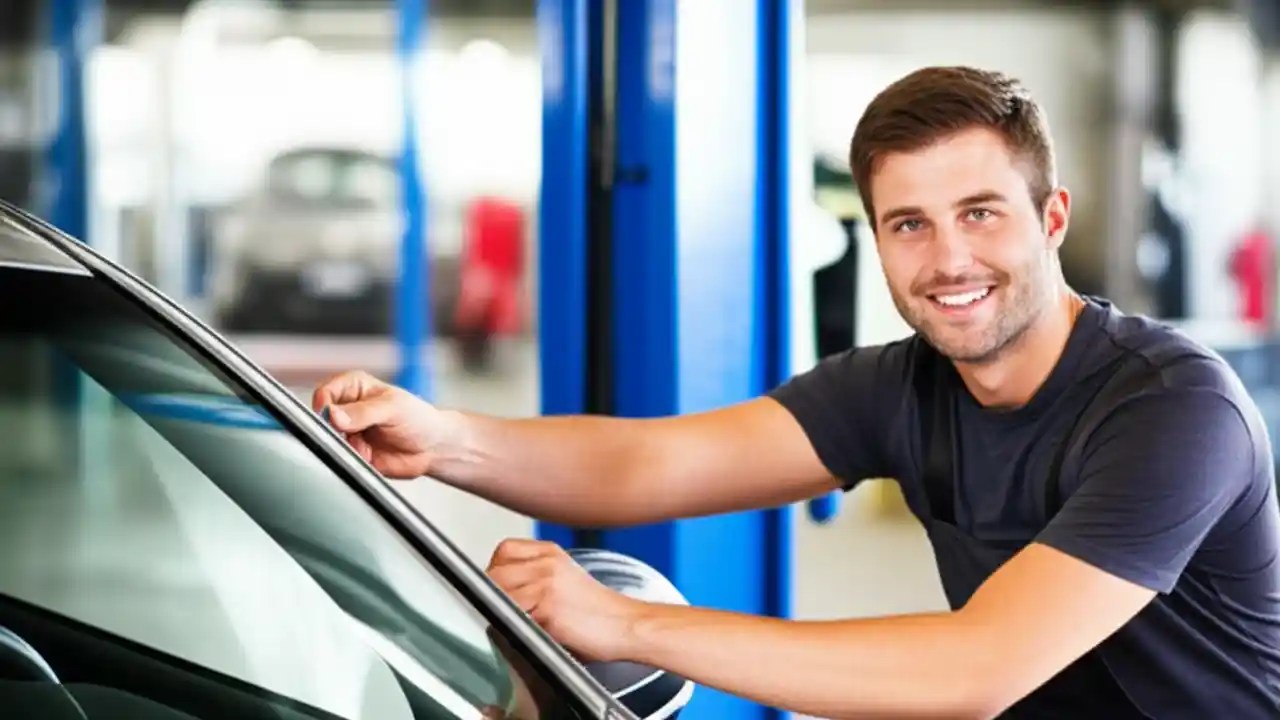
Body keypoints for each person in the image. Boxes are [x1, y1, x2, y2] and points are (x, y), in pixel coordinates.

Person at [312, 66, 1280, 718]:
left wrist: (625, 625)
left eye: (979, 214)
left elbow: (978, 668)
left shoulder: (1168, 409)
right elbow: (653, 461)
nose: (947, 259)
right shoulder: (899, 386)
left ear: (1049, 217)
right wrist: (445, 440)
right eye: (907, 225)